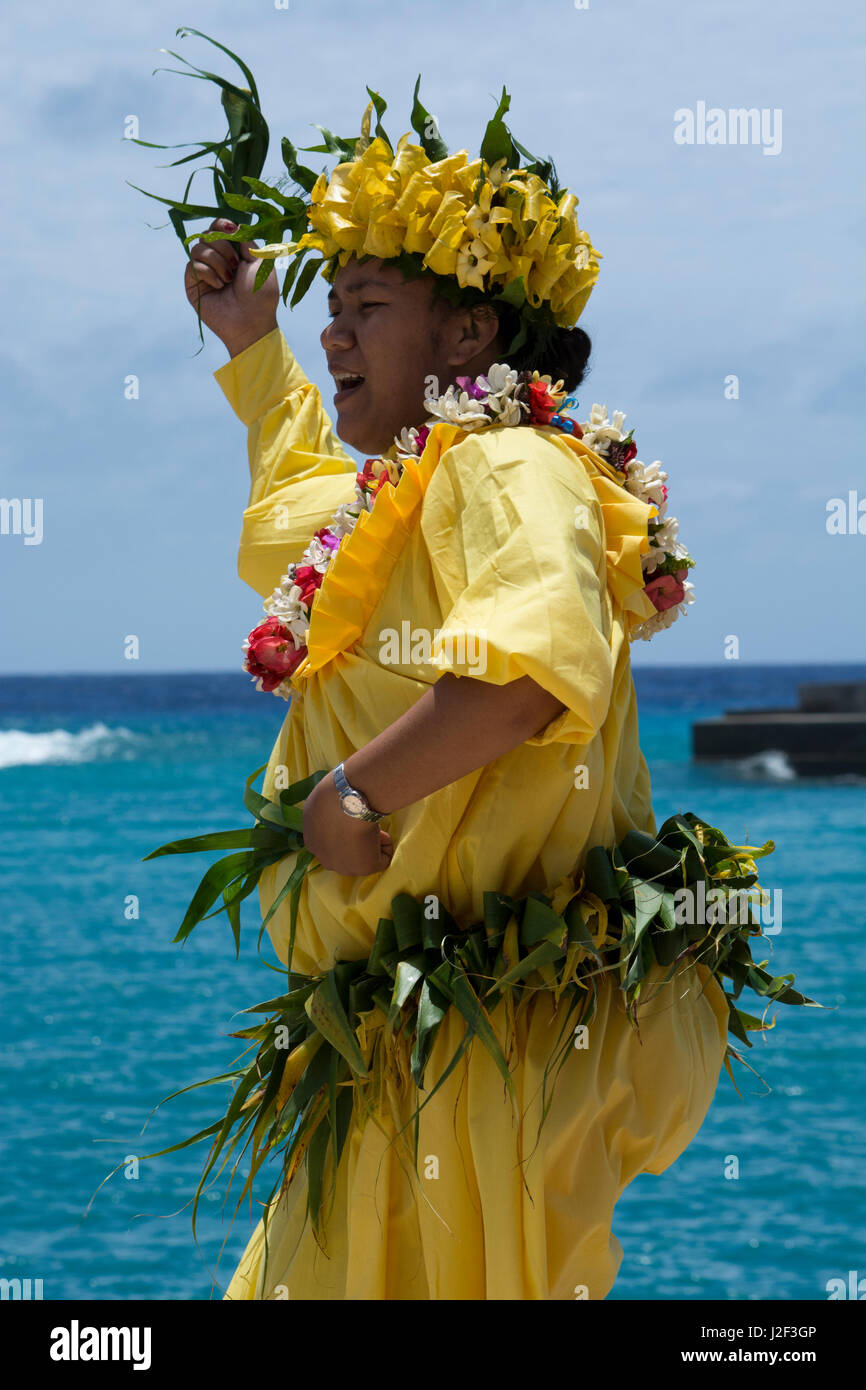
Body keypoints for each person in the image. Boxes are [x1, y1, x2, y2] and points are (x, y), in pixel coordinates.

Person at [180, 115, 730, 1302]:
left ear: (469, 331)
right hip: (410, 1053)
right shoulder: (395, 489)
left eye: (366, 306)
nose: (335, 329)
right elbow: (296, 481)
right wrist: (253, 341)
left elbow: (532, 673)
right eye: (332, 305)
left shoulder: (509, 464)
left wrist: (348, 795)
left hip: (498, 1051)